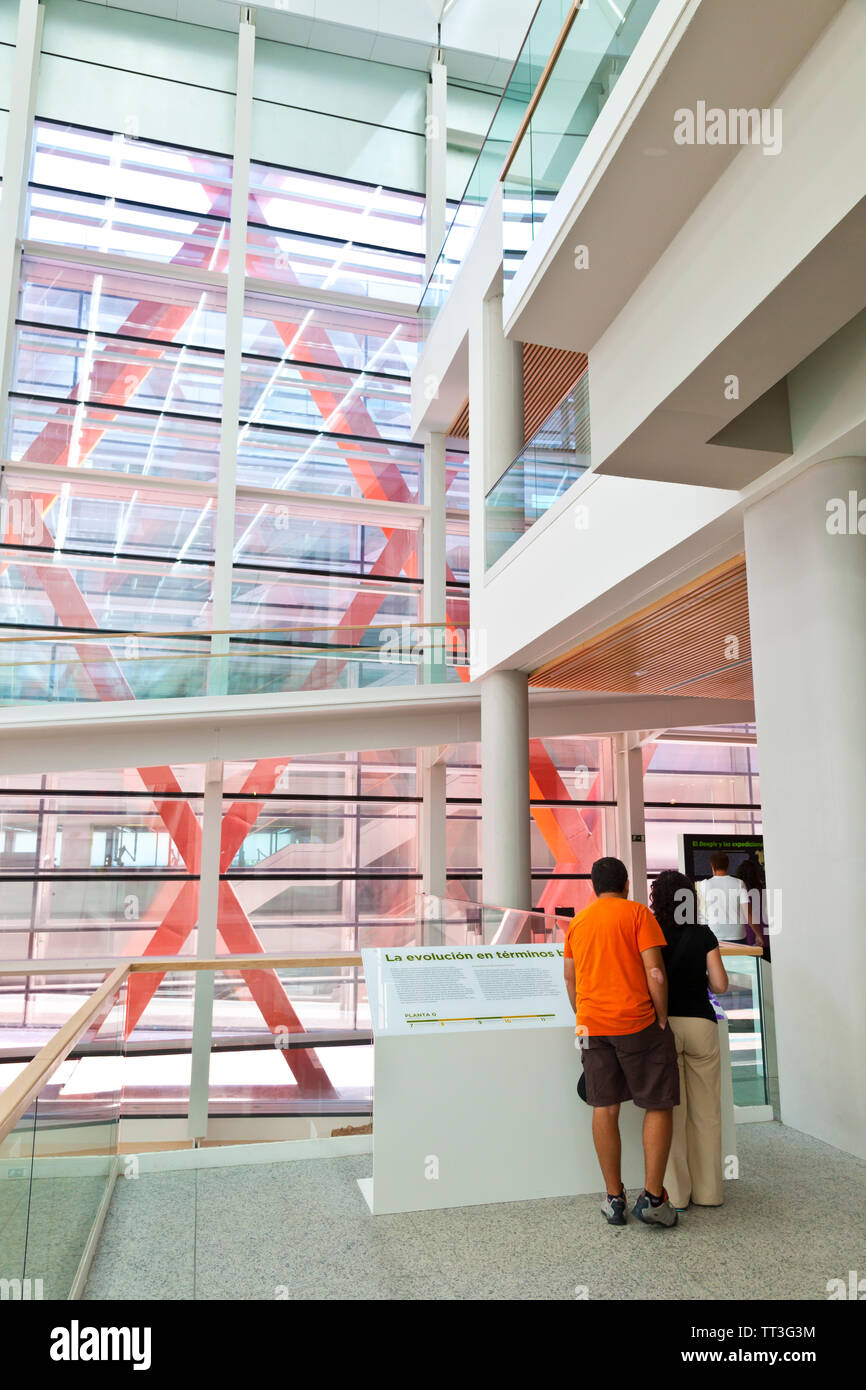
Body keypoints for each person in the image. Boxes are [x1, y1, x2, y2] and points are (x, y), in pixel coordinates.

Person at [563, 856, 680, 1228]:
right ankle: (653, 1198)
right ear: (627, 884)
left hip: (592, 1028)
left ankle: (614, 1199)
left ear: (592, 887)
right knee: (658, 1103)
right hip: (637, 1022)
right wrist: (661, 1016)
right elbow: (656, 971)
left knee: (604, 1106)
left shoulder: (578, 922)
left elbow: (570, 979)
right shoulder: (637, 914)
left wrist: (584, 1016)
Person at [650, 869, 729, 1211]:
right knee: (707, 1112)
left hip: (664, 1027)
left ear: (657, 899)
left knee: (672, 1113)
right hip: (701, 1024)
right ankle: (710, 1193)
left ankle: (677, 1195)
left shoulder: (650, 932)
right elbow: (721, 985)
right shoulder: (703, 933)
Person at [696, 851, 750, 944]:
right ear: (727, 865)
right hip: (737, 934)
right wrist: (758, 934)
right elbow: (748, 913)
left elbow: (699, 910)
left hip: (714, 934)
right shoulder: (739, 883)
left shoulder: (704, 884)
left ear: (712, 865)